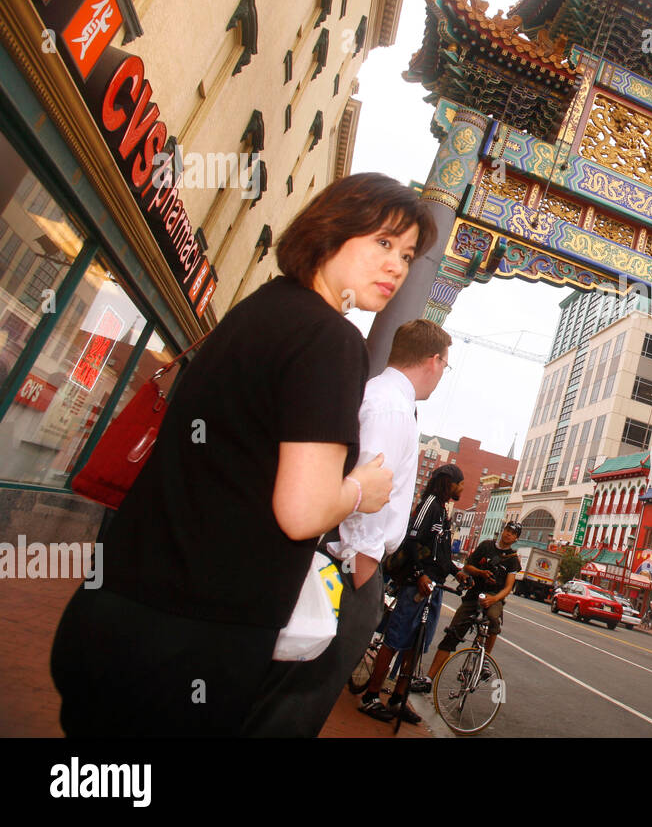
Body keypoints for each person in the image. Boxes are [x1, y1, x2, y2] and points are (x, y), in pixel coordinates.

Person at [50, 173, 437, 736]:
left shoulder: (261, 309)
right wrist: (361, 490)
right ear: (330, 234)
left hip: (117, 606)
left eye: (406, 254)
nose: (397, 266)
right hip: (195, 639)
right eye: (382, 243)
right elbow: (301, 510)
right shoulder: (331, 339)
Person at [242, 319, 454, 735]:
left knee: (294, 682)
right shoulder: (391, 407)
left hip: (343, 559)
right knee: (306, 690)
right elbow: (371, 486)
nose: (443, 374)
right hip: (347, 565)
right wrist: (364, 564)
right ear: (433, 361)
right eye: (446, 365)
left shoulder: (384, 396)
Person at [357, 464, 465, 724]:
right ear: (449, 482)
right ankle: (370, 697)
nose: (462, 487)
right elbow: (412, 540)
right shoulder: (430, 504)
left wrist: (456, 571)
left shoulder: (443, 511)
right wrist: (419, 575)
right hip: (417, 587)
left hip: (434, 588)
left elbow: (440, 553)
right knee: (396, 640)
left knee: (416, 647)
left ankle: (398, 699)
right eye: (460, 482)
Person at [425, 521, 524, 682]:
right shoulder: (486, 546)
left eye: (513, 533)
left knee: (493, 618)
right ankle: (428, 678)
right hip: (474, 594)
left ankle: (485, 659)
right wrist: (481, 573)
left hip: (493, 597)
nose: (508, 534)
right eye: (507, 530)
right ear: (503, 531)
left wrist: (495, 598)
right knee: (452, 634)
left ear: (516, 539)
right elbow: (467, 566)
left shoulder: (513, 560)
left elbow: (508, 587)